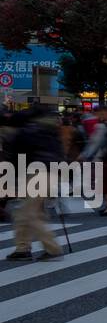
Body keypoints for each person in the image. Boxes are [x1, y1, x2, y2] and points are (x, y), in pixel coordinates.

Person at [5, 107, 64, 261]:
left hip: (34, 174)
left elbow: (16, 158)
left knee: (28, 213)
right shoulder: (50, 131)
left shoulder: (24, 133)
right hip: (51, 171)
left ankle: (52, 249)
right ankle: (22, 247)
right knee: (29, 212)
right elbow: (60, 153)